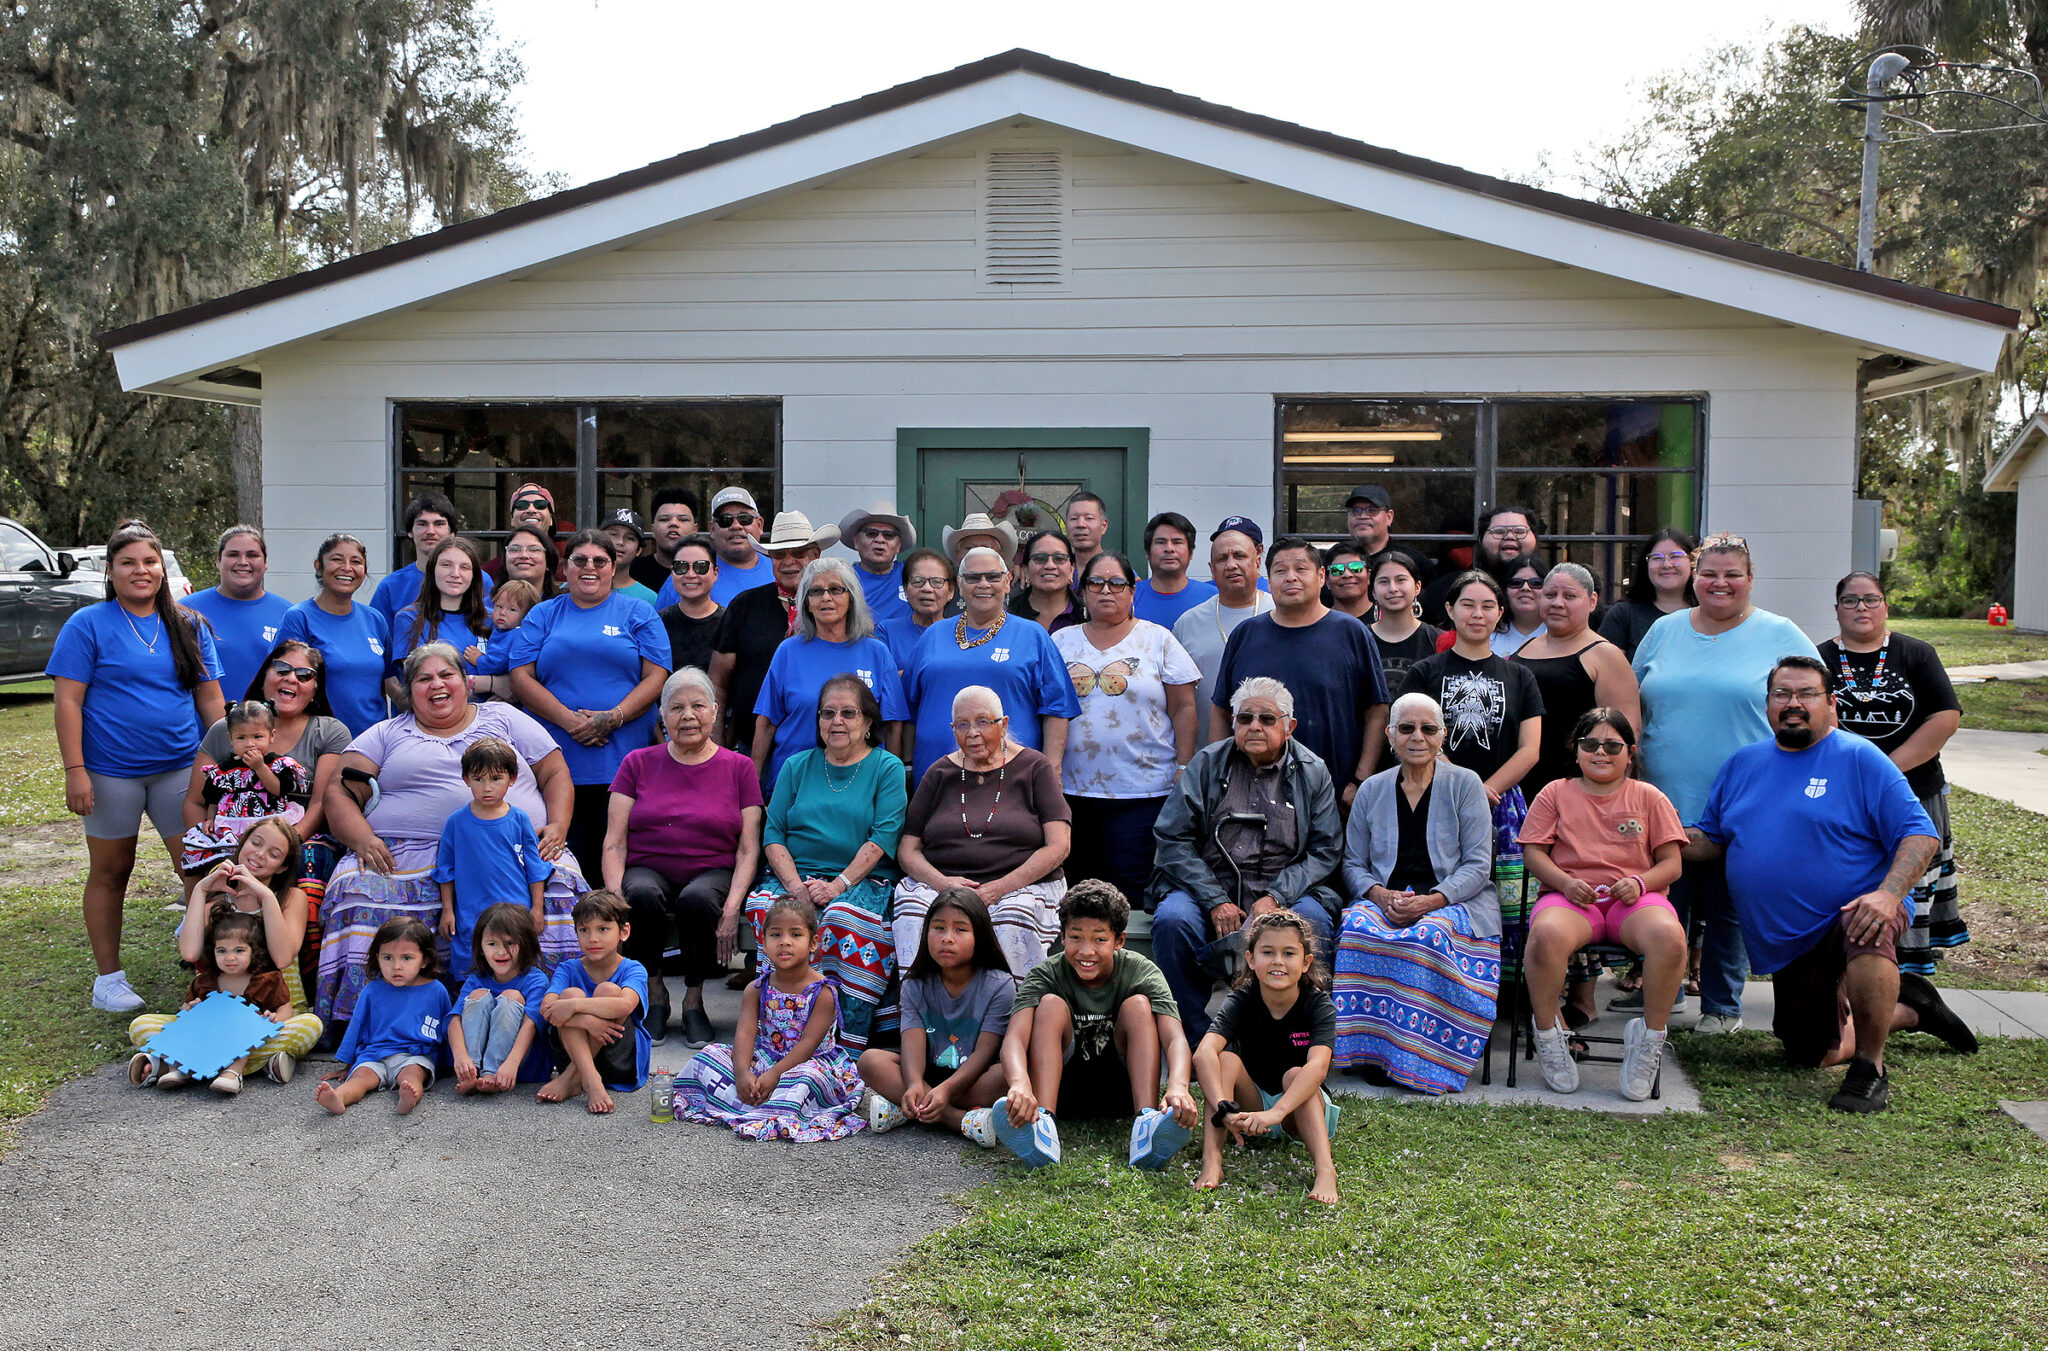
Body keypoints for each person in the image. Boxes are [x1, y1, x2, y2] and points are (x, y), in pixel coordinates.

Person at [1691, 656, 1974, 1113]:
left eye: (1806, 694)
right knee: (1809, 1053)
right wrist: (1656, 835)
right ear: (1767, 705)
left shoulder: (1859, 758)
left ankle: (1870, 1068)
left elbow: (1921, 834)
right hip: (1790, 941)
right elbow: (1711, 839)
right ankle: (1912, 1008)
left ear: (1832, 704)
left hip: (1854, 909)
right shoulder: (1743, 763)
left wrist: (1888, 895)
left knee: (1868, 928)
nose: (1793, 704)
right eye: (1782, 694)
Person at [318, 644, 584, 1023]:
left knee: (562, 881)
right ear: (410, 692)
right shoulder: (387, 733)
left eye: (446, 675)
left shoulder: (503, 717)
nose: (437, 685)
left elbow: (555, 772)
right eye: (424, 679)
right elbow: (338, 792)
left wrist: (557, 826)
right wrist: (361, 838)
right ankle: (370, 1020)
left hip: (512, 847)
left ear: (465, 681)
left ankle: (558, 1011)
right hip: (405, 852)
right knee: (356, 888)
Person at [1632, 533, 1819, 1034]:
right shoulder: (1664, 631)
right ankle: (1663, 996)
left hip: (1750, 798)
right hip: (1663, 795)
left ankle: (1721, 1007)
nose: (1720, 583)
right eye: (1709, 573)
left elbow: (1818, 709)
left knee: (1727, 905)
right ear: (1694, 578)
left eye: (1732, 574)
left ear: (1750, 580)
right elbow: (1635, 703)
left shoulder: (1781, 634)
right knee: (1666, 902)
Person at [48, 520, 226, 1012]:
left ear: (162, 568)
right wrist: (75, 771)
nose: (140, 571)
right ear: (110, 570)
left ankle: (211, 971)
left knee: (200, 868)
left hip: (179, 772)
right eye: (128, 562)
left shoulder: (188, 624)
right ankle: (109, 980)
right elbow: (68, 703)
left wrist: (225, 764)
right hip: (109, 773)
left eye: (149, 561)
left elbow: (211, 700)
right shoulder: (88, 624)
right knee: (111, 872)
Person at [1149, 677, 1344, 1042]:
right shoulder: (1207, 763)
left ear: (1290, 727)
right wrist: (1215, 899)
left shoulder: (1313, 771)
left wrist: (1277, 898)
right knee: (1172, 919)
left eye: (1267, 719)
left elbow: (1325, 850)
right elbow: (1171, 839)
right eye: (1245, 718)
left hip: (1285, 887)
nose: (1254, 726)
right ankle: (1194, 1040)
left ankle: (1300, 1039)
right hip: (1208, 885)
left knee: (1314, 921)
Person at [1333, 692, 1502, 1094]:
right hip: (1387, 898)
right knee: (1358, 929)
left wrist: (1433, 901)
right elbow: (1352, 862)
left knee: (1426, 937)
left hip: (1456, 901)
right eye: (1406, 728)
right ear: (1390, 734)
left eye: (1428, 729)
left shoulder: (1465, 784)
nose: (1417, 737)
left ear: (1443, 735)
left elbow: (1479, 865)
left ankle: (1424, 1059)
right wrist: (1378, 895)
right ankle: (1374, 1055)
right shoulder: (1371, 789)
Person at [1517, 709, 1688, 1100]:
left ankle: (1648, 1040)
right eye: (1590, 744)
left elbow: (1672, 864)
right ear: (1576, 750)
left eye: (1612, 746)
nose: (1600, 753)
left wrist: (1640, 881)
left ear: (1629, 753)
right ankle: (1550, 1032)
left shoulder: (1649, 796)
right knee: (1544, 935)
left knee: (1670, 939)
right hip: (1572, 898)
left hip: (1634, 900)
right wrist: (1564, 881)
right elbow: (1533, 853)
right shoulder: (1555, 792)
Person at [743, 674, 907, 1050]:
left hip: (863, 880)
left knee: (841, 917)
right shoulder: (797, 765)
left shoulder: (887, 767)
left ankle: (844, 1039)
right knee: (769, 908)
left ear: (868, 722)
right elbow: (773, 833)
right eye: (827, 713)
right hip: (793, 877)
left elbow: (883, 836)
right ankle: (780, 1027)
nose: (837, 722)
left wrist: (837, 886)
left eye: (848, 713)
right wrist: (795, 887)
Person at [981, 881, 1197, 1162]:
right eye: (1076, 938)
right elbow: (1014, 1038)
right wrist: (1020, 1084)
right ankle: (1043, 1125)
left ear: (1119, 940)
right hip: (1062, 1092)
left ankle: (1146, 1124)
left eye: (1099, 939)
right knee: (1049, 1004)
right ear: (1062, 937)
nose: (1086, 951)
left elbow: (1175, 1037)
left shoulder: (1141, 970)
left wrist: (1178, 1085)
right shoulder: (1046, 973)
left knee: (1138, 1006)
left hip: (1122, 1091)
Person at [1818, 572, 1967, 976]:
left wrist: (1885, 770)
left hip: (1913, 790)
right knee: (1849, 881)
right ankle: (1849, 972)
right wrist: (1856, 774)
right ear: (1836, 610)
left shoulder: (1916, 654)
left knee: (1908, 883)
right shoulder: (1820, 659)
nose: (1861, 608)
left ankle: (1906, 978)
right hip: (1843, 794)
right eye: (1850, 601)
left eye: (1871, 599)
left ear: (1886, 605)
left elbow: (1945, 716)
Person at [605, 667, 763, 1047]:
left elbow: (748, 847)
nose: (688, 716)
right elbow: (615, 841)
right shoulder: (637, 763)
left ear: (714, 710)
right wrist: (614, 899)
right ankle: (655, 992)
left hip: (713, 869)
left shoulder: (739, 767)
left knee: (698, 900)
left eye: (697, 706)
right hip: (648, 864)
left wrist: (732, 907)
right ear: (662, 717)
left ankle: (694, 1001)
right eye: (676, 708)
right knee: (639, 893)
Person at [508, 529, 670, 872]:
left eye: (600, 560)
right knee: (563, 864)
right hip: (555, 765)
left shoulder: (639, 612)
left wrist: (613, 717)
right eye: (579, 560)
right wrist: (571, 721)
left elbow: (657, 677)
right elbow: (521, 677)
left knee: (619, 865)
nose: (589, 567)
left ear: (614, 567)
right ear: (564, 569)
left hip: (624, 762)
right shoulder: (543, 614)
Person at [1053, 551, 1201, 900]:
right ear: (1083, 591)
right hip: (1074, 790)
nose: (1107, 590)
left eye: (1117, 583)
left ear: (1132, 591)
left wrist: (1184, 764)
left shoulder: (1158, 639)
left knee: (1132, 892)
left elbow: (1183, 706)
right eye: (1096, 583)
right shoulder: (1060, 641)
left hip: (1144, 791)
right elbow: (1049, 710)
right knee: (1078, 892)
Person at [896, 686, 1073, 976]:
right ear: (953, 729)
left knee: (1013, 919)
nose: (973, 733)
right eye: (962, 725)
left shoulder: (1034, 767)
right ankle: (923, 1011)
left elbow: (1059, 846)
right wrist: (941, 883)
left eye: (982, 722)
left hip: (1022, 885)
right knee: (917, 913)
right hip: (943, 883)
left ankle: (1011, 1014)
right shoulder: (939, 773)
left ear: (1003, 724)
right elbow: (908, 848)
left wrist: (998, 888)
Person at [1211, 535, 1389, 803]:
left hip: (1334, 792)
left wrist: (1359, 780)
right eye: (1280, 571)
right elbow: (1221, 710)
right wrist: (1219, 777)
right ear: (1268, 582)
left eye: (1301, 569)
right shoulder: (1246, 634)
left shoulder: (1351, 633)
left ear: (1320, 576)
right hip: (1252, 791)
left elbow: (1377, 711)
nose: (1291, 578)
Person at [673, 893, 864, 1141]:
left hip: (806, 1064)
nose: (785, 942)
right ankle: (760, 1101)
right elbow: (745, 1032)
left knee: (805, 1080)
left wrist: (775, 1075)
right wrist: (742, 1072)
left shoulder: (824, 992)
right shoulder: (756, 988)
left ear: (813, 943)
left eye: (796, 935)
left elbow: (807, 1045)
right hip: (765, 1057)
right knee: (708, 1056)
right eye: (776, 935)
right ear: (764, 942)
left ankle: (764, 1104)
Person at [1189, 909, 1340, 1204]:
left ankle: (1325, 1170)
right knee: (1224, 1060)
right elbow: (1203, 1052)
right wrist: (1223, 1106)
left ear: (1306, 962)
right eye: (1268, 952)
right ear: (1251, 959)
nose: (1278, 962)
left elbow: (1319, 1067)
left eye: (1288, 953)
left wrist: (1277, 1113)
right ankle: (1212, 1161)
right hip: (1251, 1105)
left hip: (1300, 1112)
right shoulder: (1242, 999)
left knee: (1297, 1074)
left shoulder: (1318, 1003)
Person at [904, 543, 1078, 781]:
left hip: (1013, 778)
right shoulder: (933, 635)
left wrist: (1051, 770)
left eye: (993, 577)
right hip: (937, 777)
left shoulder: (1033, 635)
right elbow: (909, 711)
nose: (983, 584)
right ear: (960, 584)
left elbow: (1057, 709)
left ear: (1007, 581)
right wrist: (906, 766)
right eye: (973, 577)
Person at [183, 640, 351, 885]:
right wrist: (213, 843)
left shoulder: (329, 732)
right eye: (282, 669)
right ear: (264, 677)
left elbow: (320, 804)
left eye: (305, 675)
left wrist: (279, 850)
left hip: (296, 838)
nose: (292, 678)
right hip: (229, 835)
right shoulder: (226, 729)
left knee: (308, 858)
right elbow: (195, 801)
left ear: (315, 689)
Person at [854, 888, 1014, 1142]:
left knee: (1008, 1073)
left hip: (972, 1079)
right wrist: (916, 1083)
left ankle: (906, 1109)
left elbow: (985, 1053)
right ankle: (959, 1120)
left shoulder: (999, 984)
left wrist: (946, 1091)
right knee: (870, 1060)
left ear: (979, 936)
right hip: (929, 1072)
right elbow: (911, 1045)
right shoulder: (915, 984)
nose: (947, 938)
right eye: (938, 928)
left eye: (960, 930)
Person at [1399, 570, 1544, 822]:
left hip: (1498, 802)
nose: (1478, 614)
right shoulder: (1423, 672)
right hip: (1433, 795)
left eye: (1487, 606)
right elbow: (1408, 735)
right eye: (1467, 605)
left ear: (1499, 613)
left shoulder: (1521, 677)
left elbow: (1529, 749)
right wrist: (1463, 787)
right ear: (1450, 610)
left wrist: (1485, 790)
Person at [751, 557, 908, 787]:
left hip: (862, 784)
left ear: (851, 598)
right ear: (805, 602)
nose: (826, 597)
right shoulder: (788, 651)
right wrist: (753, 785)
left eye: (835, 589)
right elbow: (766, 724)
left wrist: (892, 786)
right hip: (796, 782)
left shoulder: (877, 652)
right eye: (816, 591)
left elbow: (893, 726)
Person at [129, 908, 321, 1092]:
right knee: (141, 1025)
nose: (230, 958)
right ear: (212, 951)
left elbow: (286, 1008)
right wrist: (190, 1010)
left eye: (239, 951)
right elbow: (185, 1011)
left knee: (310, 1024)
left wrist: (275, 1019)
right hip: (205, 1039)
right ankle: (262, 1064)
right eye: (221, 951)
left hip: (249, 1042)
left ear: (254, 952)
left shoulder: (267, 980)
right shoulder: (205, 981)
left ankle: (170, 1065)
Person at [708, 510, 836, 751]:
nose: (788, 562)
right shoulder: (745, 605)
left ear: (816, 555)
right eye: (779, 554)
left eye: (798, 553)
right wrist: (715, 743)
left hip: (827, 747)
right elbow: (717, 681)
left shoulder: (836, 608)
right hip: (750, 744)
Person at [1512, 562, 1639, 800]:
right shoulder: (1526, 648)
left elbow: (1627, 733)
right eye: (1550, 595)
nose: (1558, 603)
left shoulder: (1605, 655)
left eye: (1569, 596)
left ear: (1591, 601)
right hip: (1524, 782)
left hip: (1579, 787)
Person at [433, 737, 554, 981]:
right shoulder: (456, 822)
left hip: (516, 910)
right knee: (472, 976)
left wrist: (537, 908)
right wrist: (448, 910)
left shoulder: (520, 819)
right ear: (466, 779)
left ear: (512, 779)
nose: (487, 787)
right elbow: (446, 869)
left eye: (496, 778)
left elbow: (534, 866)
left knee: (518, 973)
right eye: (478, 779)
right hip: (470, 914)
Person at [316, 915, 449, 1116]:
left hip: (415, 1055)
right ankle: (339, 1097)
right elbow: (356, 1028)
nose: (396, 966)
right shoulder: (372, 991)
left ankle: (408, 1097)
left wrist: (451, 1063)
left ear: (425, 960)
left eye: (407, 958)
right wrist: (349, 1064)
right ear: (377, 957)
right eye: (387, 957)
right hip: (374, 1054)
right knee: (360, 1078)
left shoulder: (436, 990)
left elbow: (448, 1028)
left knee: (412, 1075)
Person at [177, 817, 315, 1007]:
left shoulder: (293, 898)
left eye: (274, 854)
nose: (260, 854)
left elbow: (282, 958)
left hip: (276, 1011)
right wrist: (200, 890)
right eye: (256, 843)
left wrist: (266, 896)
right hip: (221, 1007)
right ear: (242, 844)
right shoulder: (216, 904)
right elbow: (190, 953)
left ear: (283, 867)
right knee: (142, 1026)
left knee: (310, 1026)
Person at [537, 890, 651, 1113]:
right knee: (570, 994)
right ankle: (589, 1078)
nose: (593, 939)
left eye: (603, 929)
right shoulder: (568, 968)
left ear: (624, 931)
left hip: (617, 1057)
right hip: (571, 1054)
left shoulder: (633, 969)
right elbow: (547, 1008)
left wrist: (575, 1008)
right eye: (584, 930)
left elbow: (624, 1005)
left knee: (607, 991)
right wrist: (588, 1022)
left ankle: (574, 1076)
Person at [278, 533, 390, 738]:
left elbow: (387, 683)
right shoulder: (299, 618)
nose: (347, 568)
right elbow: (282, 683)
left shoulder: (375, 620)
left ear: (364, 573)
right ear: (318, 566)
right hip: (320, 743)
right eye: (337, 559)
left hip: (374, 743)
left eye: (356, 562)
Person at [178, 700, 310, 875]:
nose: (250, 744)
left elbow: (278, 790)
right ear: (230, 738)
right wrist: (211, 819)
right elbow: (214, 798)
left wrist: (260, 767)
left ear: (272, 735)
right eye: (241, 737)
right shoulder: (222, 770)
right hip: (232, 825)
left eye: (257, 737)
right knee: (216, 860)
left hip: (269, 823)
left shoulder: (279, 765)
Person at [184, 524, 293, 709]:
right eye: (233, 554)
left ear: (265, 563)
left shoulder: (288, 614)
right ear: (218, 561)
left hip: (268, 731)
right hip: (204, 734)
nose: (243, 561)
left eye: (252, 555)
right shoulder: (187, 610)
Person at [1174, 517, 1274, 714]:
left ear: (1257, 562)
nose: (1231, 565)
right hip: (1207, 743)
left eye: (1239, 556)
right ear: (1212, 570)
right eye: (1222, 558)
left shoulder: (1279, 613)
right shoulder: (1188, 624)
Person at [448, 903, 552, 1092]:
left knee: (512, 996)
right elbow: (455, 1019)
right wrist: (461, 1057)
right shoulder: (476, 979)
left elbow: (531, 1024)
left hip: (518, 1063)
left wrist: (511, 1063)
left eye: (509, 943)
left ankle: (491, 1072)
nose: (501, 952)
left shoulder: (535, 979)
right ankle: (472, 1072)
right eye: (492, 944)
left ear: (525, 943)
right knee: (477, 995)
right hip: (475, 1065)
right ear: (480, 947)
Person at [386, 536, 491, 698]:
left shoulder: (492, 618)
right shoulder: (410, 619)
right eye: (446, 565)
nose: (455, 574)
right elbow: (426, 682)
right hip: (434, 719)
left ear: (474, 575)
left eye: (464, 567)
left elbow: (512, 673)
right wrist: (493, 683)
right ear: (432, 570)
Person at [372, 492, 490, 625]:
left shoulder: (479, 579)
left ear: (452, 532)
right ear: (410, 532)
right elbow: (377, 638)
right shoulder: (391, 586)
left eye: (439, 524)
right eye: (422, 524)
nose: (431, 531)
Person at [1419, 504, 1543, 622]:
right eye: (1499, 532)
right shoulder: (1448, 588)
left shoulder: (1552, 587)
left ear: (1535, 539)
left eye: (1520, 531)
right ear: (1481, 539)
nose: (1510, 536)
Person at [1599, 528, 1697, 660]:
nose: (1666, 565)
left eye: (1675, 556)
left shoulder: (1710, 613)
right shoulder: (1623, 615)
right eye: (1657, 558)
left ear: (1693, 563)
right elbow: (1607, 671)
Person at [1364, 549, 1442, 687]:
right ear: (1374, 592)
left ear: (1417, 587)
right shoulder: (1360, 640)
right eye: (1384, 582)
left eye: (1401, 580)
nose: (1393, 588)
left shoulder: (1437, 640)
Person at [838, 500, 916, 631]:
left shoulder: (913, 576)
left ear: (899, 545)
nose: (880, 540)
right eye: (871, 533)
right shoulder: (842, 580)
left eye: (888, 535)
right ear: (856, 541)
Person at [656, 533, 725, 677]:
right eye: (681, 567)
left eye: (701, 566)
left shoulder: (731, 622)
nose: (691, 574)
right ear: (672, 573)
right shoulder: (657, 623)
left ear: (715, 573)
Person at [880, 547, 955, 677]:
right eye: (917, 581)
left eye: (936, 582)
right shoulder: (887, 631)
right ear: (905, 590)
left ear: (951, 592)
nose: (927, 588)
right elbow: (880, 679)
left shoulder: (961, 632)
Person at [1133, 511, 1216, 628]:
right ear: (1147, 552)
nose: (1169, 549)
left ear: (1191, 552)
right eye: (1161, 542)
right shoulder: (1129, 598)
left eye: (1177, 542)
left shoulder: (1214, 598)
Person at [472, 578, 540, 703]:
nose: (502, 612)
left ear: (526, 615)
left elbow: (495, 664)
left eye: (512, 609)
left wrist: (478, 660)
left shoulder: (514, 635)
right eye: (499, 606)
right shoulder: (504, 629)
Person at [483, 482, 561, 584]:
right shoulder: (490, 572)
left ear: (551, 518)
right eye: (521, 505)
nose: (531, 510)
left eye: (540, 505)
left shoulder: (568, 569)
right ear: (512, 519)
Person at [705, 487, 772, 607]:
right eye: (725, 520)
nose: (736, 526)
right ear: (712, 529)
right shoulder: (692, 576)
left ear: (760, 525)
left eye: (744, 519)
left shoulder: (780, 571)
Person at [1010, 528, 1082, 632]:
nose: (1050, 565)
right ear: (1026, 570)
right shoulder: (1008, 614)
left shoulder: (1087, 615)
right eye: (1039, 558)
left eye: (1059, 558)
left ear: (1071, 570)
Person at [634, 486, 701, 591]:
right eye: (664, 519)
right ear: (653, 529)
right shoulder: (633, 573)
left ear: (695, 529)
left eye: (683, 519)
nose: (673, 523)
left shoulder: (706, 572)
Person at [600, 508, 662, 606]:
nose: (620, 542)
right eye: (613, 534)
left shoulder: (649, 598)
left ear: (638, 550)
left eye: (630, 538)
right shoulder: (574, 587)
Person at [1495, 556, 1549, 657]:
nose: (1525, 588)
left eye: (1536, 583)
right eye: (1516, 583)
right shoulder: (1489, 634)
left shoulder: (1559, 633)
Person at [498, 524, 561, 602]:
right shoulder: (486, 608)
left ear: (548, 562)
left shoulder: (561, 607)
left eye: (534, 549)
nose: (524, 555)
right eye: (514, 549)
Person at [1323, 540, 1373, 622]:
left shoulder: (1386, 617)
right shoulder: (1318, 622)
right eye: (1337, 569)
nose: (1347, 575)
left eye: (1356, 567)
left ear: (1369, 576)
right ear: (1327, 581)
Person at [1344, 484, 1396, 558]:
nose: (1362, 516)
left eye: (1372, 510)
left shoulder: (1409, 562)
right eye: (1355, 511)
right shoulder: (1336, 560)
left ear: (1389, 517)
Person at [1063, 491, 1110, 574]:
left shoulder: (1120, 574)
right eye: (1074, 518)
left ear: (1103, 526)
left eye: (1089, 518)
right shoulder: (1059, 572)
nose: (1081, 524)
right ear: (1066, 526)